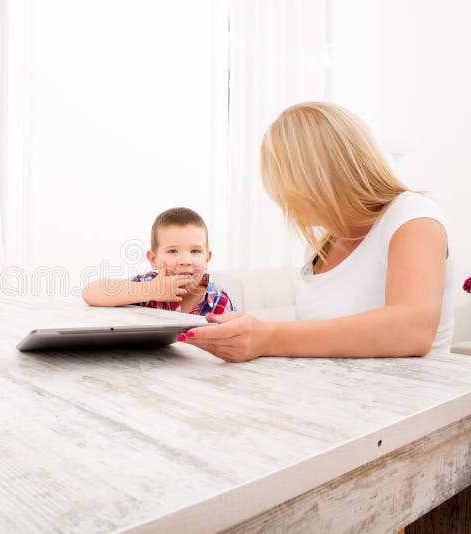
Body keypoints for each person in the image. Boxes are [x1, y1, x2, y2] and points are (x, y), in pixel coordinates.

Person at [181, 102, 453, 361]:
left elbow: (411, 331)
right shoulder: (322, 244)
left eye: (285, 182)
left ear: (316, 177)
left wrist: (269, 337)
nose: (283, 200)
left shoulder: (412, 218)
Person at [83, 207, 234, 315]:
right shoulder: (148, 283)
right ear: (154, 259)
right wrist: (150, 290)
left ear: (207, 258)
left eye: (195, 251)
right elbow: (91, 292)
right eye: (173, 251)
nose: (186, 261)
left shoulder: (220, 302)